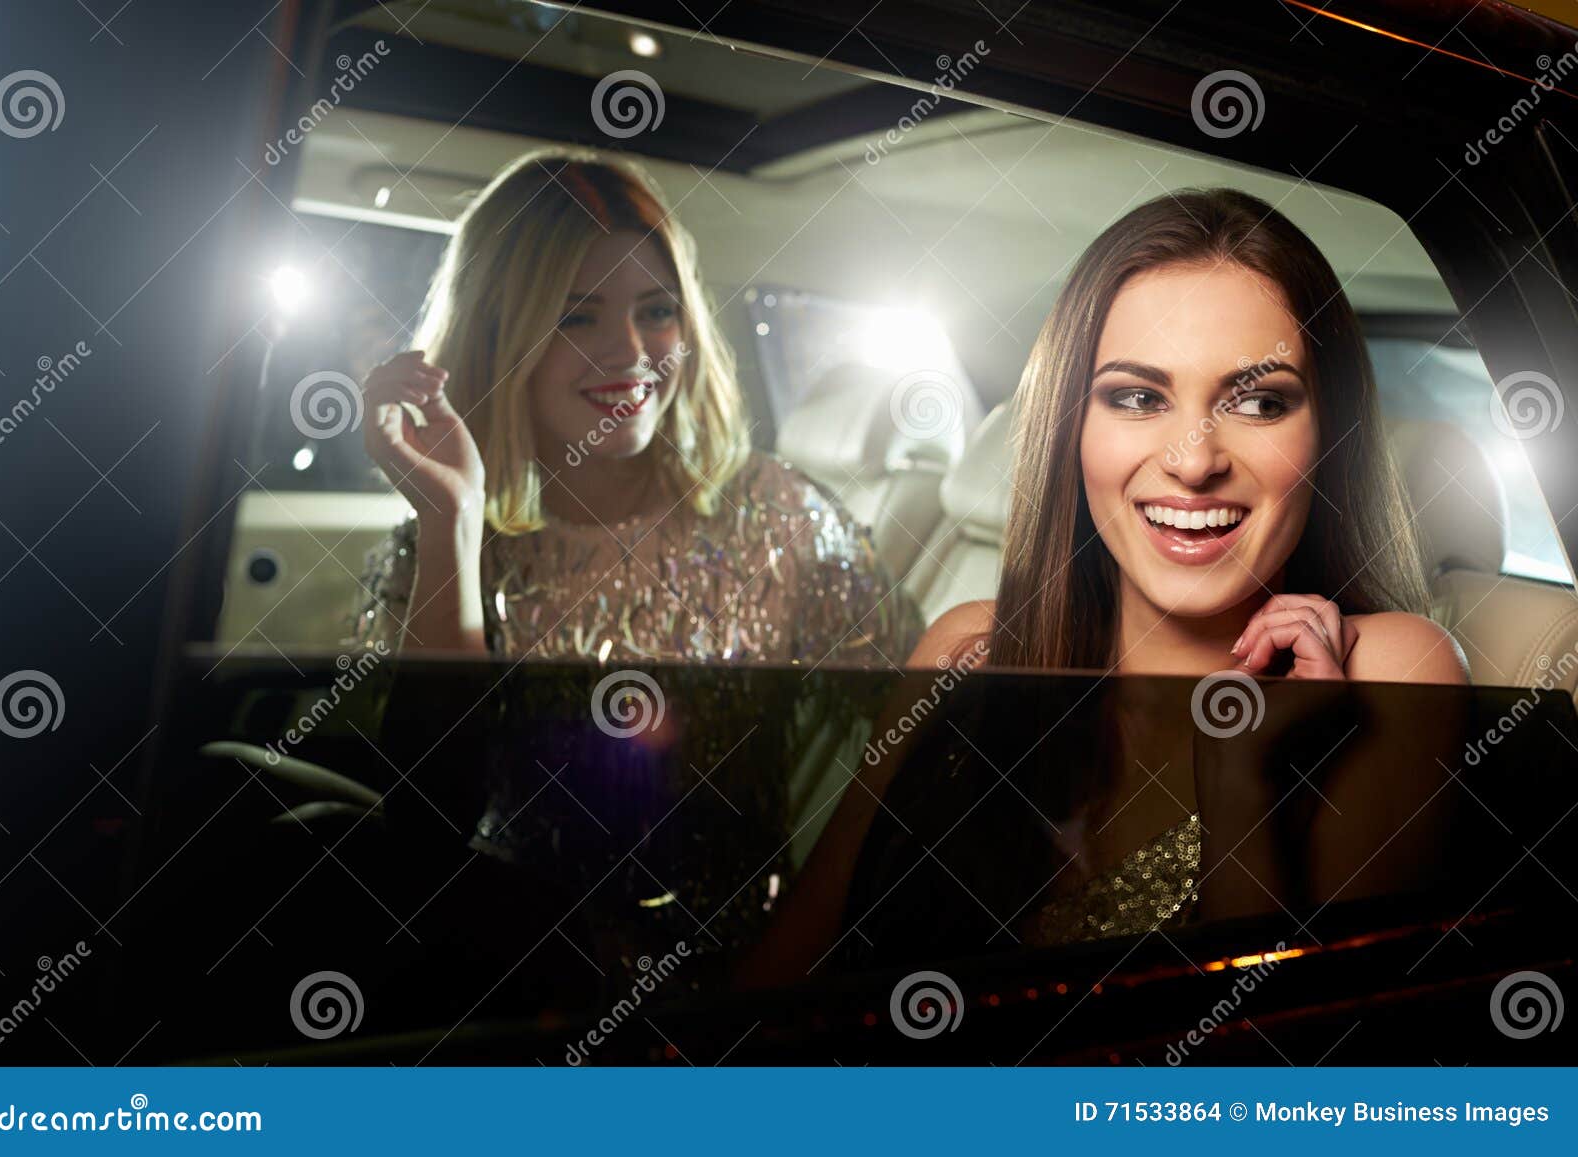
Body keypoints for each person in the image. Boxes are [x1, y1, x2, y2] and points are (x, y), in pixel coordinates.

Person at [741, 188, 1469, 984]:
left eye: (1260, 402)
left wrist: (1237, 788)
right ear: (1072, 427)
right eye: (1139, 397)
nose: (1194, 461)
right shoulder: (965, 649)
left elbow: (1296, 1060)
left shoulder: (1392, 671)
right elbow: (781, 977)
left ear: (1329, 433)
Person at [346, 147, 922, 666]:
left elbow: (907, 726)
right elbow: (431, 751)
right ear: (495, 337)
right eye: (577, 318)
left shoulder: (785, 519)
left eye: (656, 312)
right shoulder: (438, 544)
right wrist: (453, 519)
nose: (629, 352)